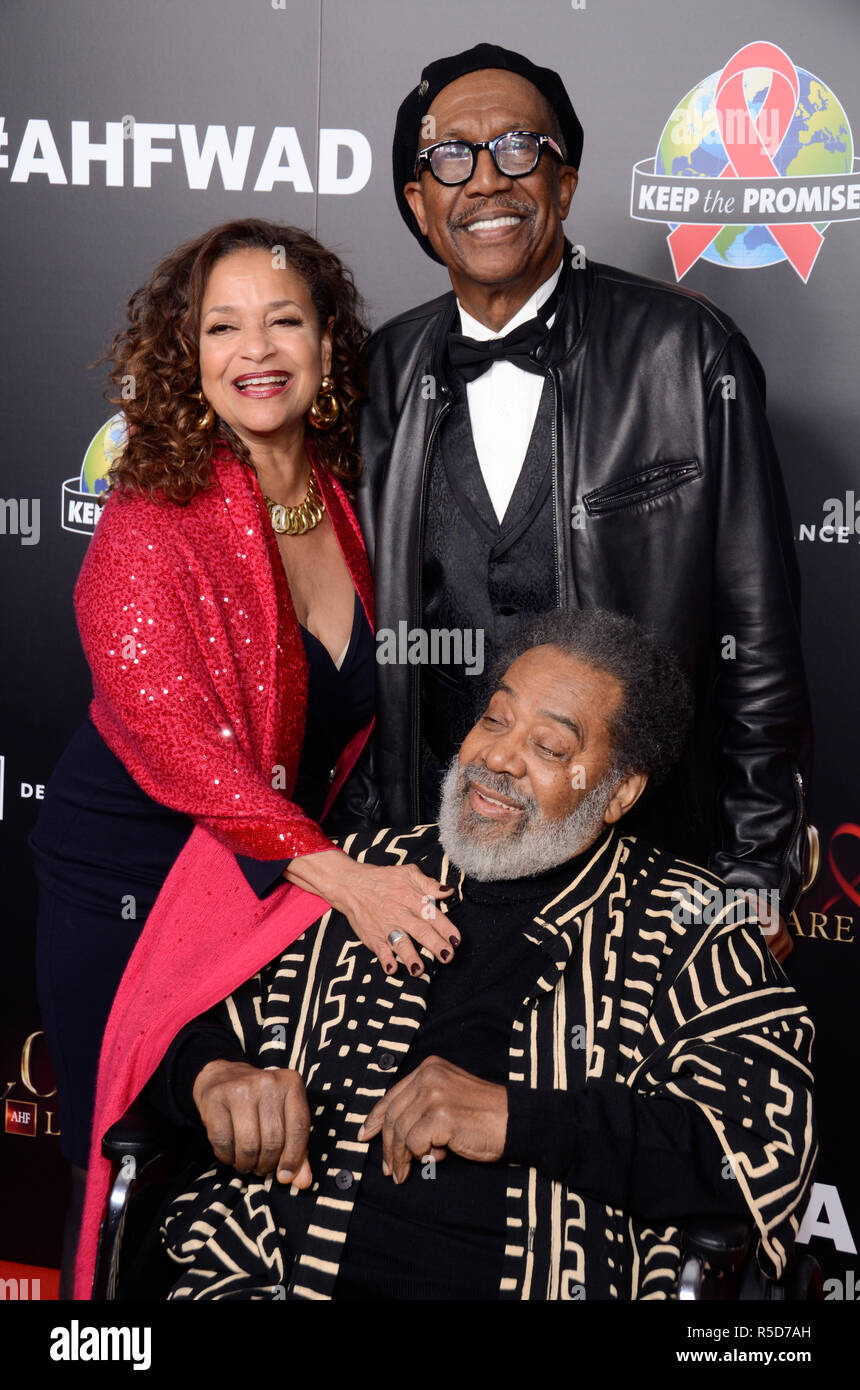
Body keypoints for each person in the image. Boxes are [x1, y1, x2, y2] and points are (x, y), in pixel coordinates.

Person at [116, 608, 814, 1301]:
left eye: (548, 748)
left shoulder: (692, 922)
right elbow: (183, 1018)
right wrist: (213, 1076)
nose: (498, 758)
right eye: (494, 720)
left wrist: (515, 1116)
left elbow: (755, 1144)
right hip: (269, 1277)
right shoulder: (364, 869)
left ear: (617, 792)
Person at [29, 219, 455, 1296]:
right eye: (223, 326)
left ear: (324, 345)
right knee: (131, 1158)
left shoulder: (342, 485)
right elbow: (174, 738)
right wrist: (344, 878)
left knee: (260, 1163)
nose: (254, 349)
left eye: (283, 321)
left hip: (267, 879)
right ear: (189, 351)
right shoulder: (155, 503)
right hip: (135, 871)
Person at [354, 42, 814, 963]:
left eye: (519, 148)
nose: (486, 180)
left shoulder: (689, 353)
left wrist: (757, 868)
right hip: (439, 867)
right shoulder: (388, 369)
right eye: (451, 157)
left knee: (596, 1110)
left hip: (641, 866)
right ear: (418, 203)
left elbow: (756, 638)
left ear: (563, 184)